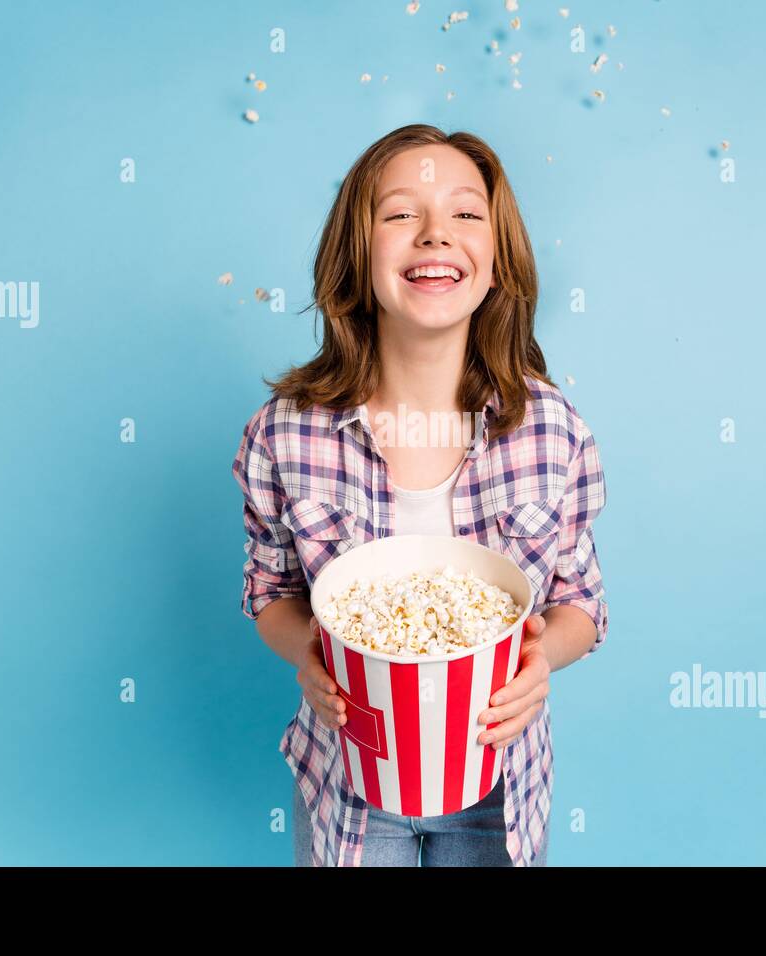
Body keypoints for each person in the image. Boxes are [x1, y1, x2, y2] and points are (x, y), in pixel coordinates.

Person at [231, 124, 609, 866]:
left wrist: (540, 662)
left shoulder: (552, 431)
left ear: (497, 262)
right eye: (401, 214)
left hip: (497, 788)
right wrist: (310, 656)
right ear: (356, 254)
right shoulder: (285, 434)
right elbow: (270, 592)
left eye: (467, 215)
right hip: (347, 781)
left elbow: (582, 605)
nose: (436, 235)